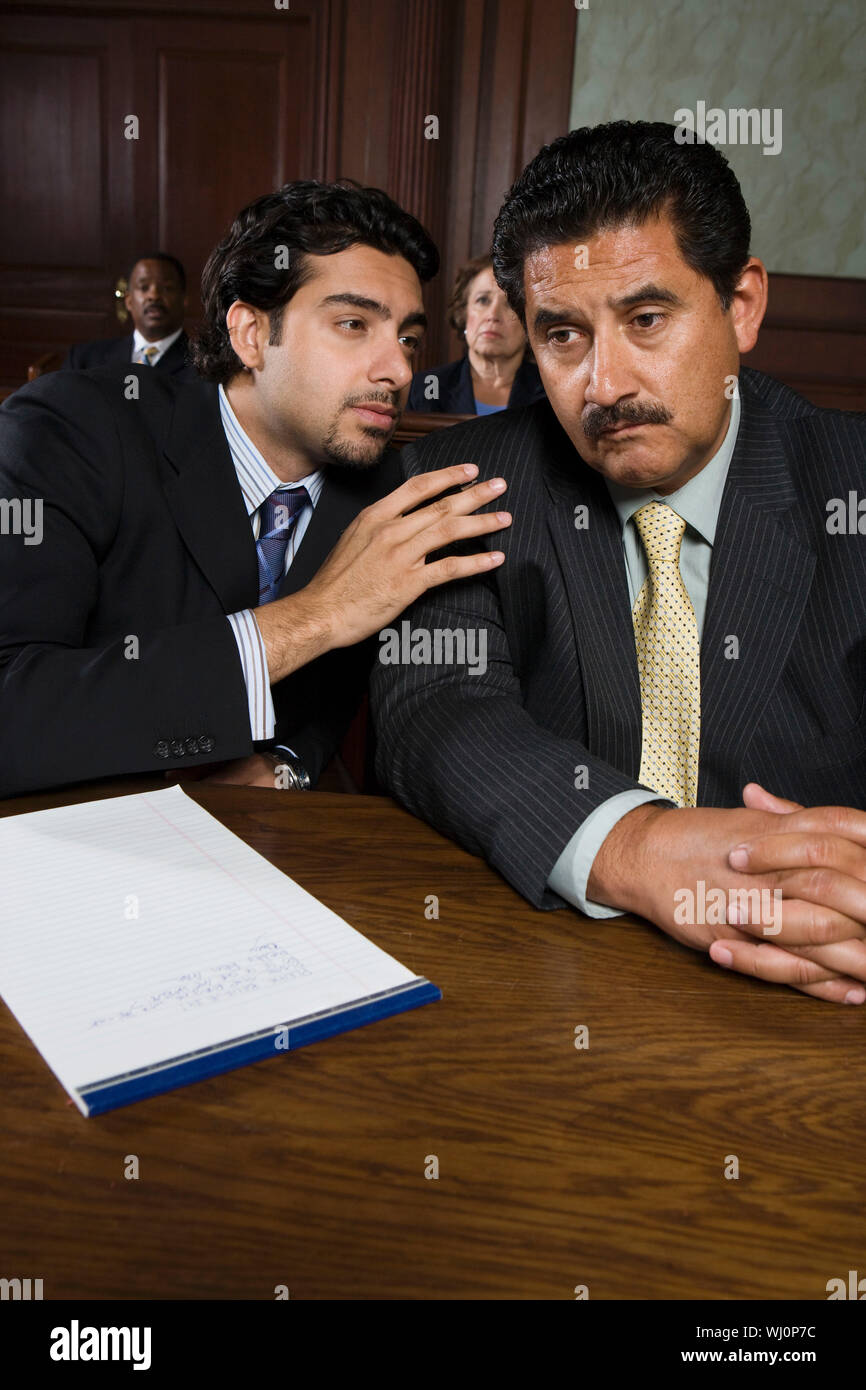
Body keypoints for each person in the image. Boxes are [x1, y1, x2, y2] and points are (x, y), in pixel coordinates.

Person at [371, 122, 866, 1007]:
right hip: (544, 980)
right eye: (561, 335)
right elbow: (434, 712)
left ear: (741, 305)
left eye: (646, 319)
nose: (604, 385)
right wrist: (635, 848)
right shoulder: (466, 482)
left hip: (813, 999)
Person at [0, 180, 508, 798]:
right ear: (249, 334)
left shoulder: (388, 493)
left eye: (407, 337)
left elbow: (336, 696)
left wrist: (287, 763)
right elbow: (14, 706)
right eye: (353, 324)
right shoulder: (71, 428)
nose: (400, 370)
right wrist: (317, 615)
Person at [407, 255, 545, 414]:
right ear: (463, 314)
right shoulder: (425, 388)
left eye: (510, 304)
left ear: (529, 321)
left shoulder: (551, 391)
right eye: (483, 300)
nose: (493, 315)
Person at [62, 253, 198, 380]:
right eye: (144, 288)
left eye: (166, 288)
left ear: (184, 299)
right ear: (128, 301)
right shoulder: (84, 359)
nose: (154, 296)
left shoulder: (203, 364)